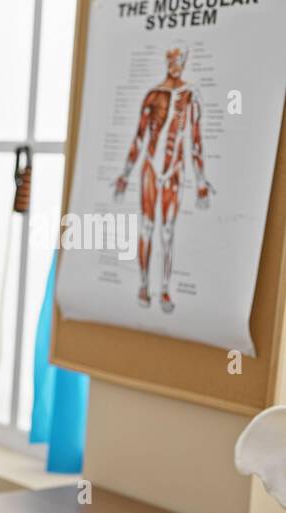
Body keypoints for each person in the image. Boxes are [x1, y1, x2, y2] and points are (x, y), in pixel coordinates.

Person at [112, 45, 213, 314]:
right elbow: (139, 136)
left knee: (167, 232)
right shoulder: (153, 95)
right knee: (147, 227)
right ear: (167, 61)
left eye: (179, 59)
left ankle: (165, 289)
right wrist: (125, 174)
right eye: (171, 58)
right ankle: (144, 285)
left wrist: (201, 180)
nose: (175, 63)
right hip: (151, 169)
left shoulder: (191, 95)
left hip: (174, 171)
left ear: (185, 60)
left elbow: (195, 140)